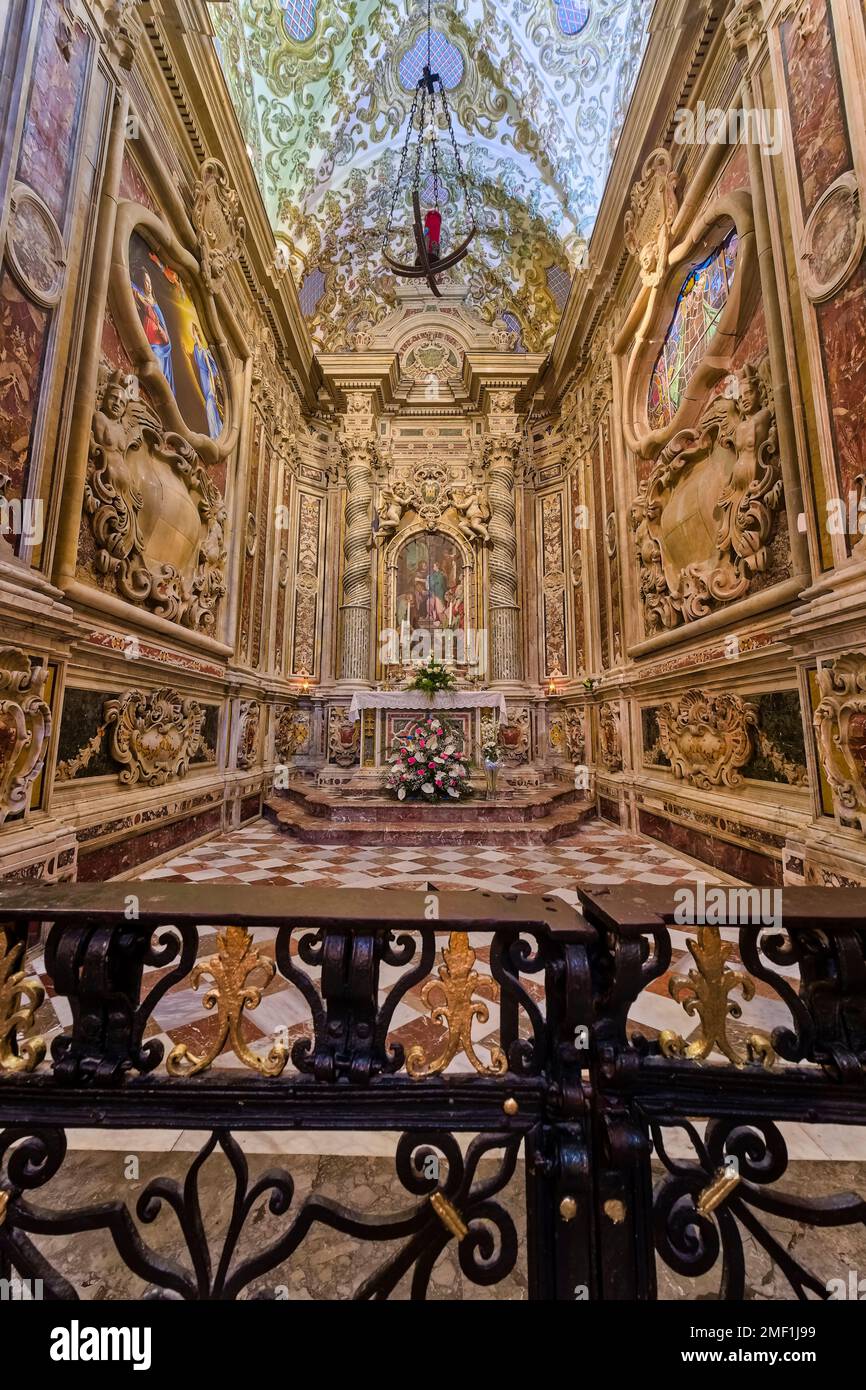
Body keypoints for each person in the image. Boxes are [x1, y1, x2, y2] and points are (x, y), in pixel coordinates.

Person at [132, 270, 175, 391]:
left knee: (157, 370)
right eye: (146, 282)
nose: (148, 285)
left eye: (150, 282)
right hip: (148, 338)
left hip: (159, 344)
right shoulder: (139, 294)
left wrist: (161, 331)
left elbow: (162, 326)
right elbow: (130, 286)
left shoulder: (155, 305)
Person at [191, 323, 223, 438]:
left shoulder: (204, 352)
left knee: (210, 404)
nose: (193, 335)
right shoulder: (196, 348)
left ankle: (215, 434)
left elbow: (210, 370)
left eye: (194, 333)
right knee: (209, 404)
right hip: (203, 379)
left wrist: (213, 390)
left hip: (208, 382)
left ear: (197, 334)